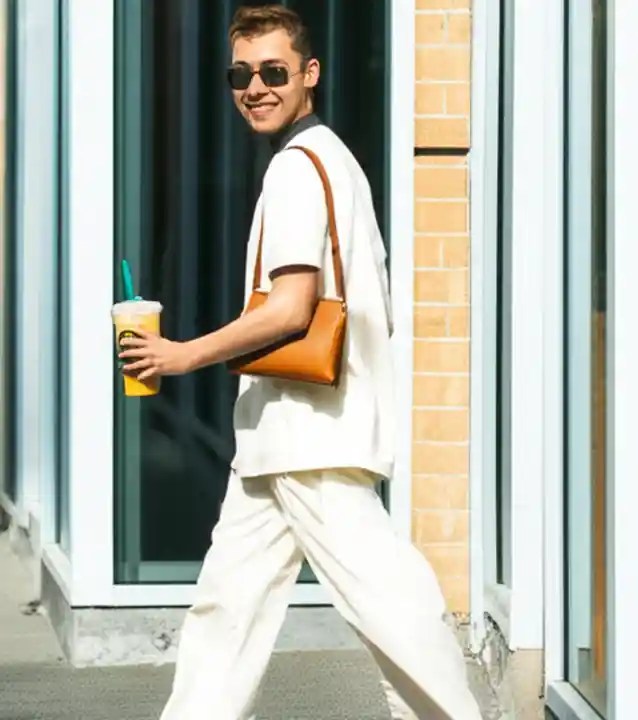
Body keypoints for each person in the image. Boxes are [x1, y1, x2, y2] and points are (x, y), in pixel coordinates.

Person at [118, 5, 483, 719]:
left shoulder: (297, 168)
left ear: (309, 74)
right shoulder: (329, 159)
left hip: (311, 432)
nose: (256, 87)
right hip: (279, 434)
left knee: (389, 601)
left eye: (274, 72)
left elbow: (290, 309)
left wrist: (180, 355)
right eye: (241, 74)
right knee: (228, 611)